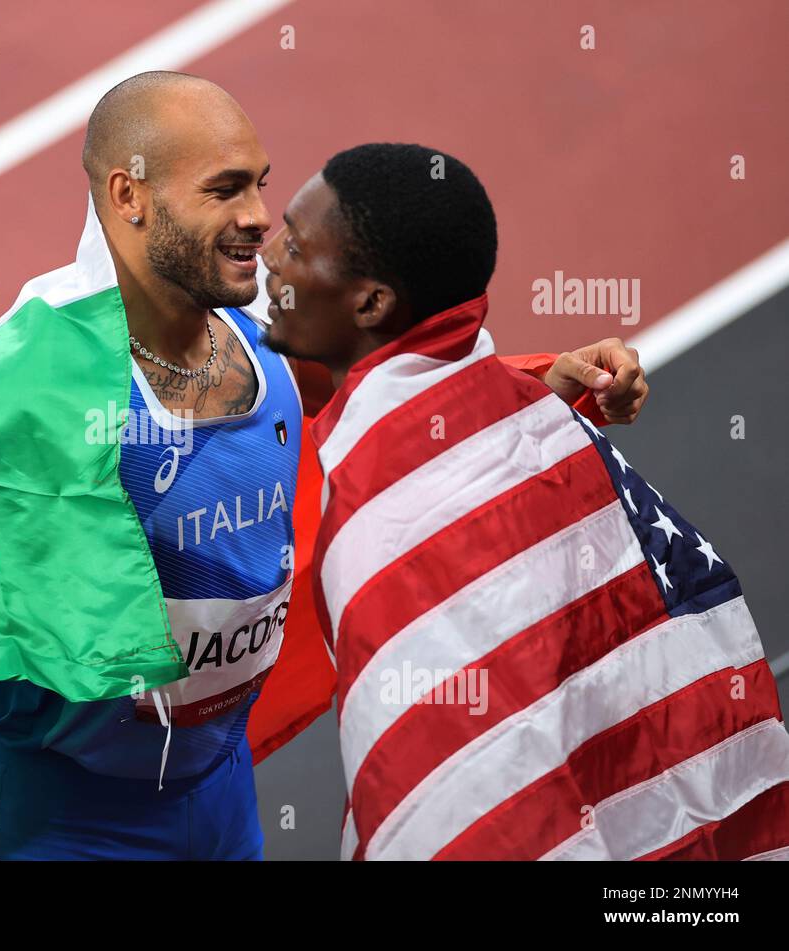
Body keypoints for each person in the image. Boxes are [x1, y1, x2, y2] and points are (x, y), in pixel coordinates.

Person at [0, 76, 651, 861]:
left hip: (221, 797)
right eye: (226, 191)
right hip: (58, 824)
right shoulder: (34, 392)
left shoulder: (254, 337)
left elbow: (383, 412)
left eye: (261, 186)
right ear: (131, 197)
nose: (260, 218)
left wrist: (541, 385)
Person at [259, 143, 788, 860]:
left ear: (372, 301)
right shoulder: (495, 435)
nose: (266, 251)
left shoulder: (388, 530)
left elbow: (464, 812)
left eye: (291, 241)